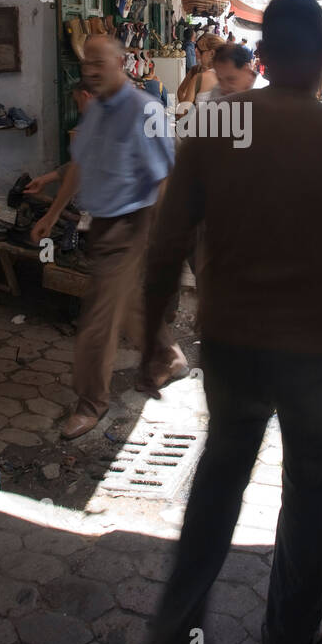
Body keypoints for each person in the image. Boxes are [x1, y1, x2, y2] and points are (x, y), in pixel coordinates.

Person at [139, 0, 322, 644]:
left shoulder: (214, 124)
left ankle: (174, 638)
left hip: (231, 341)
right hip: (317, 350)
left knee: (220, 480)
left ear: (259, 58)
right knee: (313, 496)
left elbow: (166, 245)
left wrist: (152, 337)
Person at [31, 35, 186, 439]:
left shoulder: (144, 109)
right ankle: (167, 356)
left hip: (134, 222)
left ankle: (91, 402)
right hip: (100, 221)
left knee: (98, 315)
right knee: (125, 301)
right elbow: (81, 165)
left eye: (100, 63)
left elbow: (167, 176)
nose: (92, 72)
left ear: (121, 61)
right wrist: (51, 212)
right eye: (87, 66)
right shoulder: (96, 108)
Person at [176, 32, 224, 108]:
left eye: (200, 50)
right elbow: (181, 91)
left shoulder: (223, 76)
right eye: (195, 47)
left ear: (211, 54)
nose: (195, 51)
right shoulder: (195, 70)